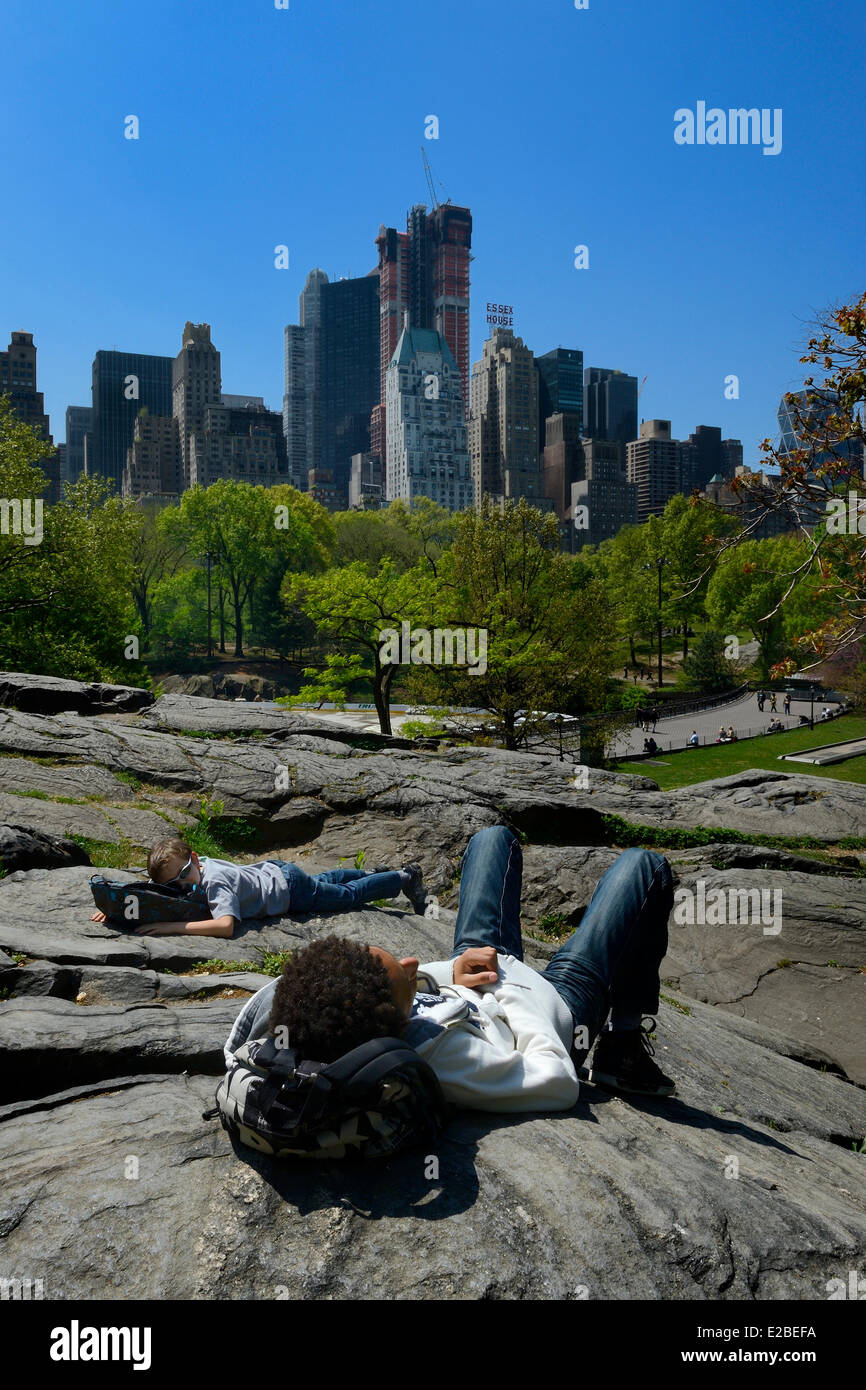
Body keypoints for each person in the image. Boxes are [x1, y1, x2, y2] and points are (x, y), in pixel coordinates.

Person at [225, 826, 677, 1107]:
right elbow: (557, 1082)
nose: (412, 960)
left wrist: (451, 972)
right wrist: (511, 995)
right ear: (399, 1021)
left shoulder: (346, 1017)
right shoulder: (450, 1061)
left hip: (476, 975)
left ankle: (475, 968)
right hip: (554, 1004)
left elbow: (275, 1006)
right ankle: (622, 1046)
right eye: (403, 975)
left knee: (490, 839)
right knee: (644, 866)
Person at [90, 837, 429, 939]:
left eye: (184, 874)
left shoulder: (213, 882)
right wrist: (119, 906)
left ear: (194, 859)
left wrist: (170, 928)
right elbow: (154, 889)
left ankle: (402, 878)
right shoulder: (194, 866)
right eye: (172, 883)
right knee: (324, 881)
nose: (180, 884)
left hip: (289, 893)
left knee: (347, 897)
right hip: (281, 873)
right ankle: (371, 871)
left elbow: (225, 926)